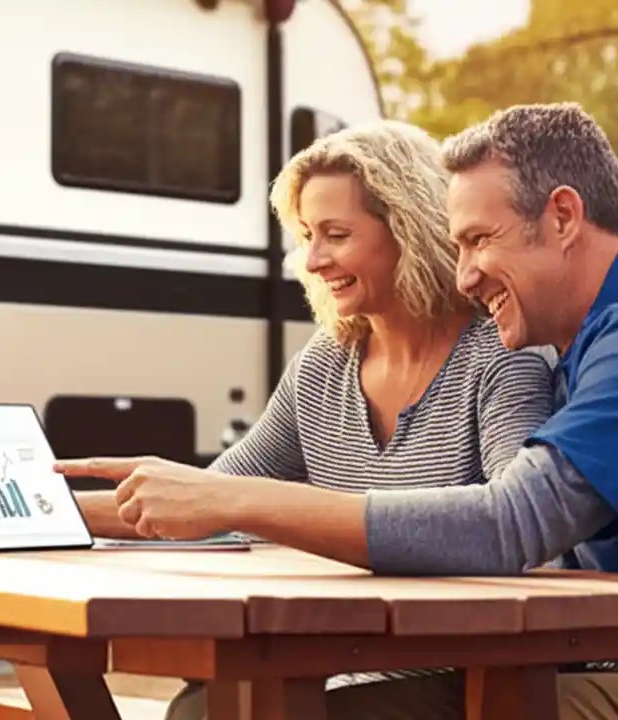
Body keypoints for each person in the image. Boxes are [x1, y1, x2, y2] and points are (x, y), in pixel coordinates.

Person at [62, 102, 618, 719]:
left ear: (562, 217)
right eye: (455, 246)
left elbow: (509, 524)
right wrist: (57, 507)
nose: (462, 276)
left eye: (479, 241)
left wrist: (236, 501)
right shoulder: (601, 333)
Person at [69, 119, 558, 718]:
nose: (314, 260)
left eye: (336, 234)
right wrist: (37, 515)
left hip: (462, 677)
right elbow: (207, 505)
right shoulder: (323, 366)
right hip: (322, 665)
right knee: (201, 709)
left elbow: (526, 540)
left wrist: (238, 503)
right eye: (307, 236)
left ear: (410, 228)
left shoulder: (501, 356)